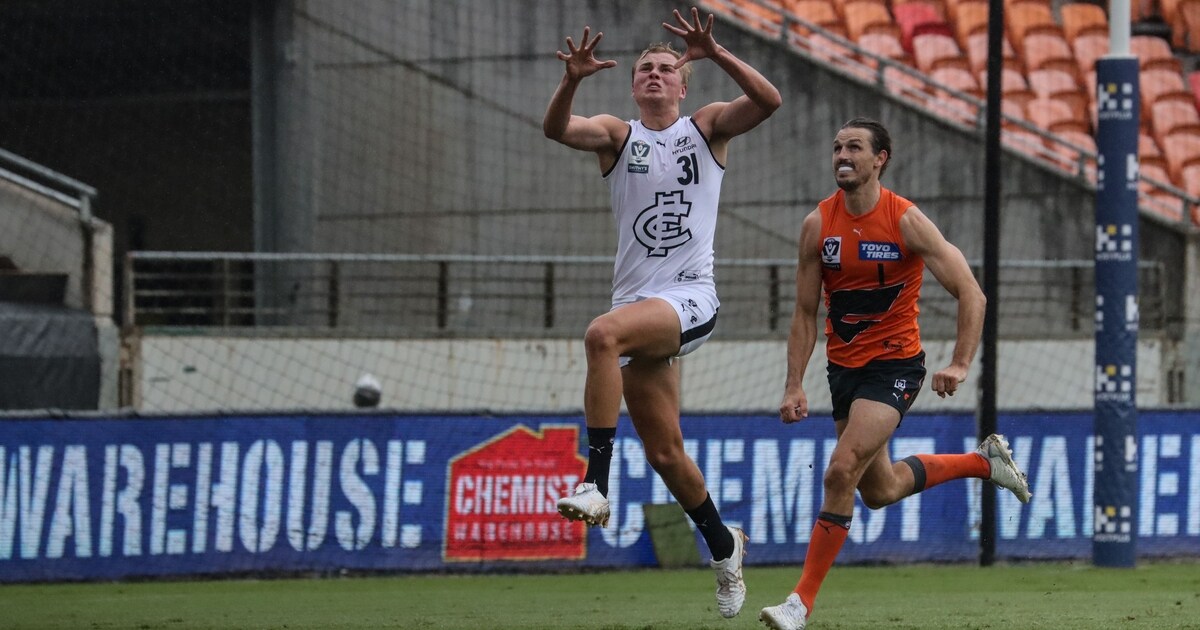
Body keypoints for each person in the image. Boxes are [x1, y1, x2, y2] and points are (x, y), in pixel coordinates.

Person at [543, 6, 781, 619]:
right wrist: (570, 79)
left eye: (665, 67)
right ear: (631, 85)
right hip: (642, 309)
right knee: (666, 452)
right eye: (644, 67)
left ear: (684, 82)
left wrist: (718, 51)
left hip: (691, 298)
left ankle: (595, 483)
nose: (653, 73)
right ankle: (726, 548)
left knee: (601, 335)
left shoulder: (705, 130)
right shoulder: (619, 137)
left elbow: (770, 100)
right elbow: (556, 131)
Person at [758, 118, 1032, 630]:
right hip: (844, 370)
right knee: (877, 490)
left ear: (880, 158)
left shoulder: (905, 220)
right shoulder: (818, 224)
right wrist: (794, 382)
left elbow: (972, 293)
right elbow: (802, 312)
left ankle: (799, 603)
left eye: (855, 147)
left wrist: (959, 363)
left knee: (841, 470)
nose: (842, 154)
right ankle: (982, 463)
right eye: (837, 146)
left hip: (895, 365)